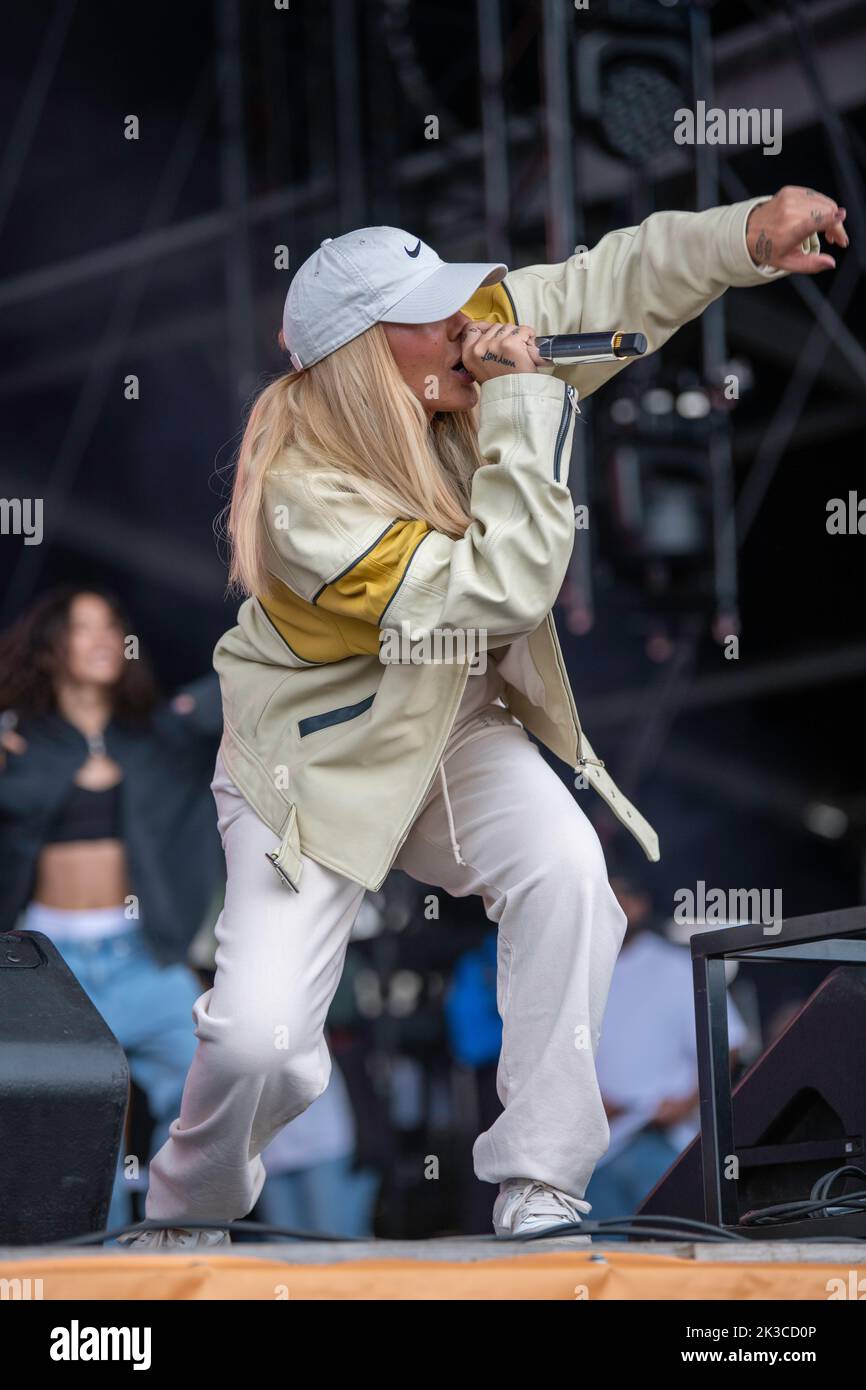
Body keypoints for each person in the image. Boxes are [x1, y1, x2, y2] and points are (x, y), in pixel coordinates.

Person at [123, 187, 848, 1249]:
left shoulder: (466, 359)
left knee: (567, 874)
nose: (471, 319)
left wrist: (743, 234)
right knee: (261, 1046)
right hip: (313, 770)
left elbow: (613, 278)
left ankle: (541, 1186)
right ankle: (184, 1208)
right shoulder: (302, 501)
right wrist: (522, 404)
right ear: (371, 353)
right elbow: (503, 588)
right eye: (435, 311)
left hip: (451, 721)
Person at [0, 584, 224, 1233]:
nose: (101, 639)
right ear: (50, 647)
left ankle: (182, 1238)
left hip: (139, 954)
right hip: (47, 967)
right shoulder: (23, 743)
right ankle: (83, 1263)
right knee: (63, 1116)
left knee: (210, 1082)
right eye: (81, 627)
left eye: (110, 627)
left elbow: (237, 693)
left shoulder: (155, 737)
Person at [584, 866, 748, 1225]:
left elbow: (729, 1045)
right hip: (598, 1150)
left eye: (615, 897)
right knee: (600, 1262)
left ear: (639, 904)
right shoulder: (580, 970)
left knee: (668, 1254)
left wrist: (688, 1103)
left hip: (666, 1143)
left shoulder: (675, 966)